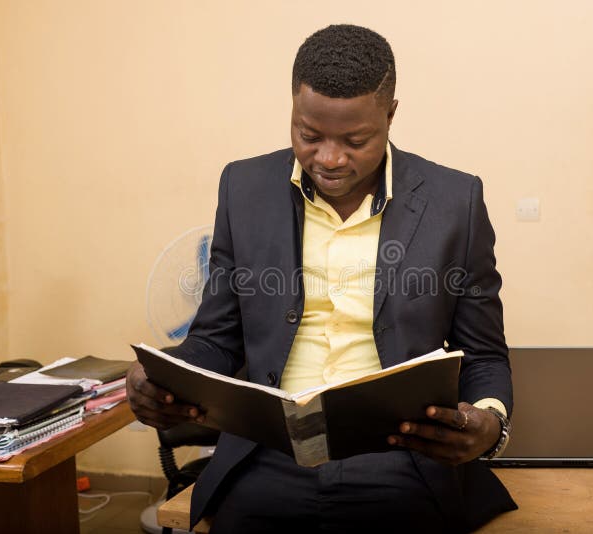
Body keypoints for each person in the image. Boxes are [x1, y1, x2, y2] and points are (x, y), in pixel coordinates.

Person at [128, 24, 516, 533]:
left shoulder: (455, 203)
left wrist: (491, 423)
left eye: (355, 141)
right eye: (308, 136)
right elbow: (215, 341)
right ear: (293, 108)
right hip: (268, 457)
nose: (329, 159)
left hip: (403, 456)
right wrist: (165, 378)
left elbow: (484, 354)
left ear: (391, 115)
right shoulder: (243, 189)